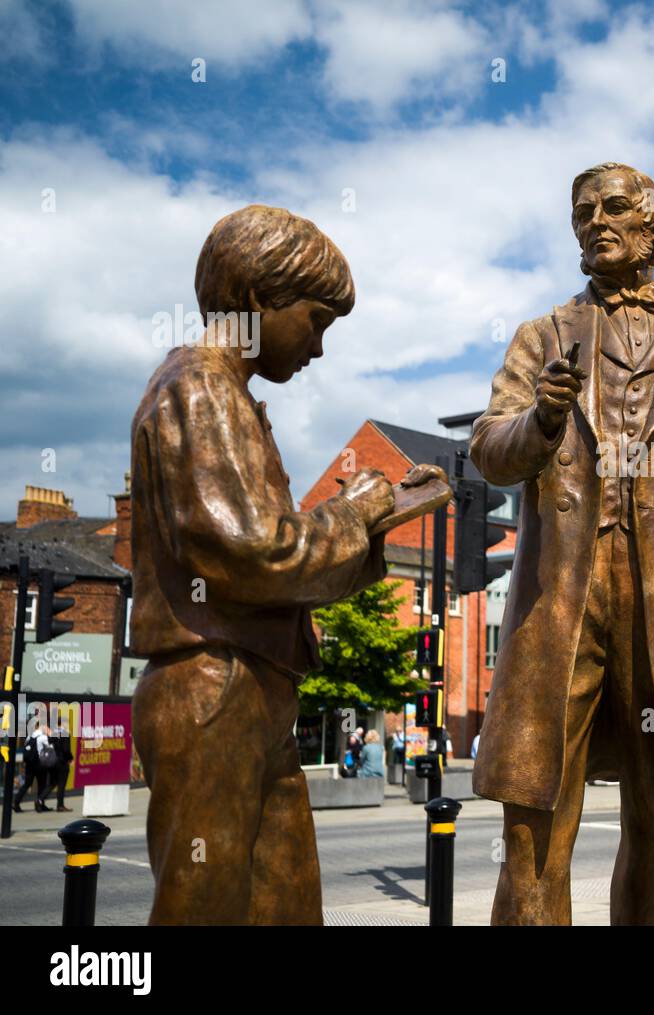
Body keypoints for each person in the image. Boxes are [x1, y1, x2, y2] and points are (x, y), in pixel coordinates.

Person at [129, 204, 448, 925]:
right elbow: (250, 552)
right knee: (204, 907)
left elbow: (284, 569)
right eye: (316, 320)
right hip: (211, 687)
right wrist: (357, 512)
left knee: (284, 904)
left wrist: (374, 528)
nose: (319, 347)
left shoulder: (231, 399)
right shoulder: (198, 387)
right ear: (254, 302)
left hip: (251, 689)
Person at [471, 162, 654, 925]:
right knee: (535, 800)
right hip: (563, 594)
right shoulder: (542, 337)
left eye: (611, 208)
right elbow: (488, 449)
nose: (594, 222)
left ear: (653, 227)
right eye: (581, 213)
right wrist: (539, 421)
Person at [37, 726, 73, 813]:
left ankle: (39, 799)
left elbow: (50, 744)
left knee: (52, 783)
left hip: (53, 762)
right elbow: (66, 749)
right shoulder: (64, 733)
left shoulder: (52, 733)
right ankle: (60, 805)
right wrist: (70, 758)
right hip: (62, 762)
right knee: (61, 785)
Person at [12, 726, 49, 813]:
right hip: (40, 763)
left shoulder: (30, 736)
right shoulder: (43, 737)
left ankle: (16, 802)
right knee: (42, 784)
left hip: (30, 764)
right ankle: (40, 804)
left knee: (27, 784)